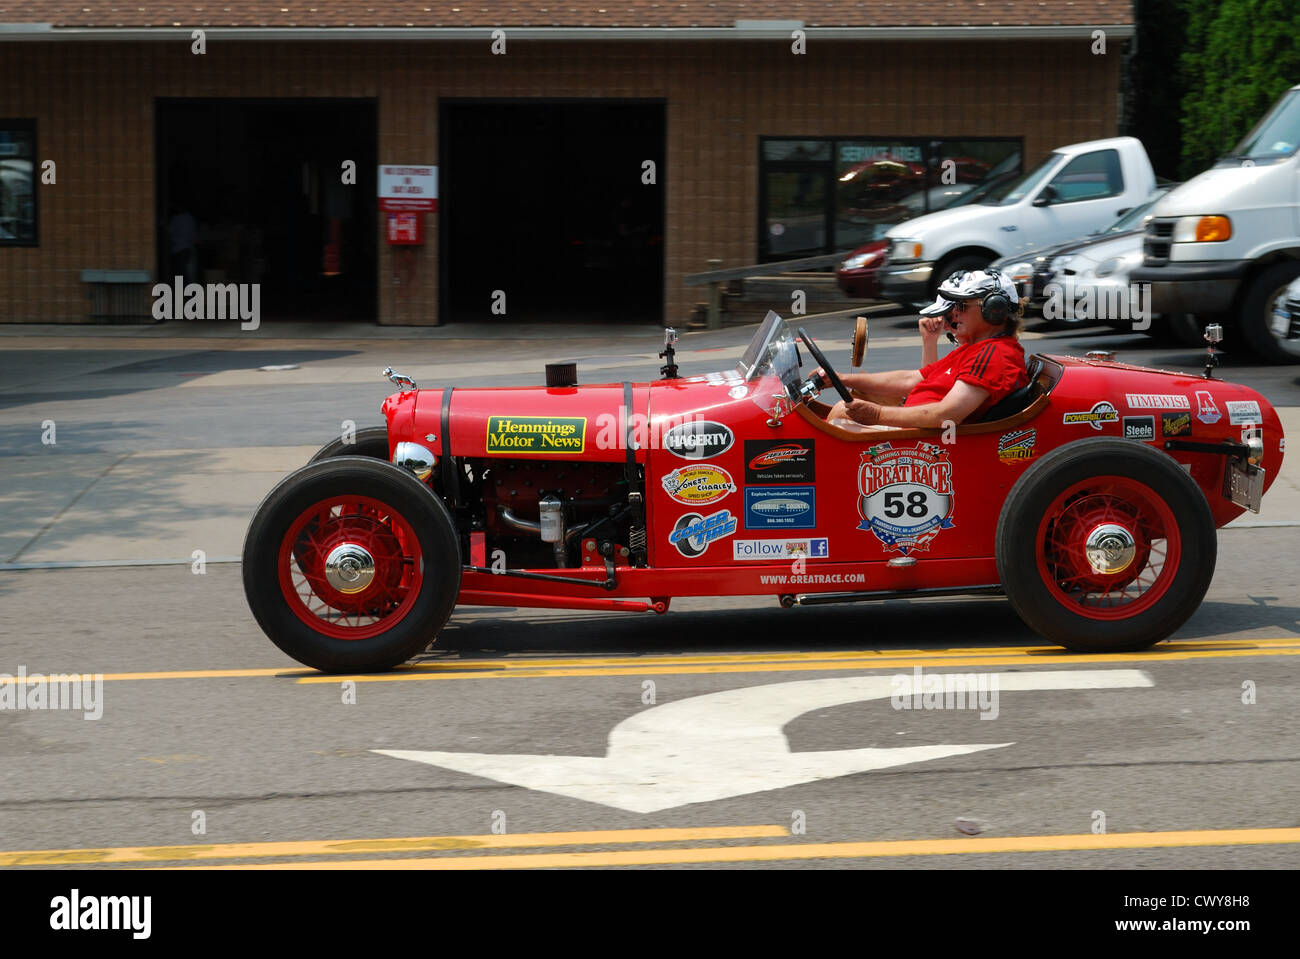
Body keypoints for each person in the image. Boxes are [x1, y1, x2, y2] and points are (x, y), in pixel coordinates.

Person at [822, 269, 1029, 428]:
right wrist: (841, 379)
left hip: (926, 442)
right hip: (919, 435)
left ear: (993, 310)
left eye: (962, 306)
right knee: (839, 412)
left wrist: (877, 414)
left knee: (841, 414)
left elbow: (946, 415)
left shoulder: (994, 355)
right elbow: (914, 380)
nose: (955, 315)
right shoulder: (975, 349)